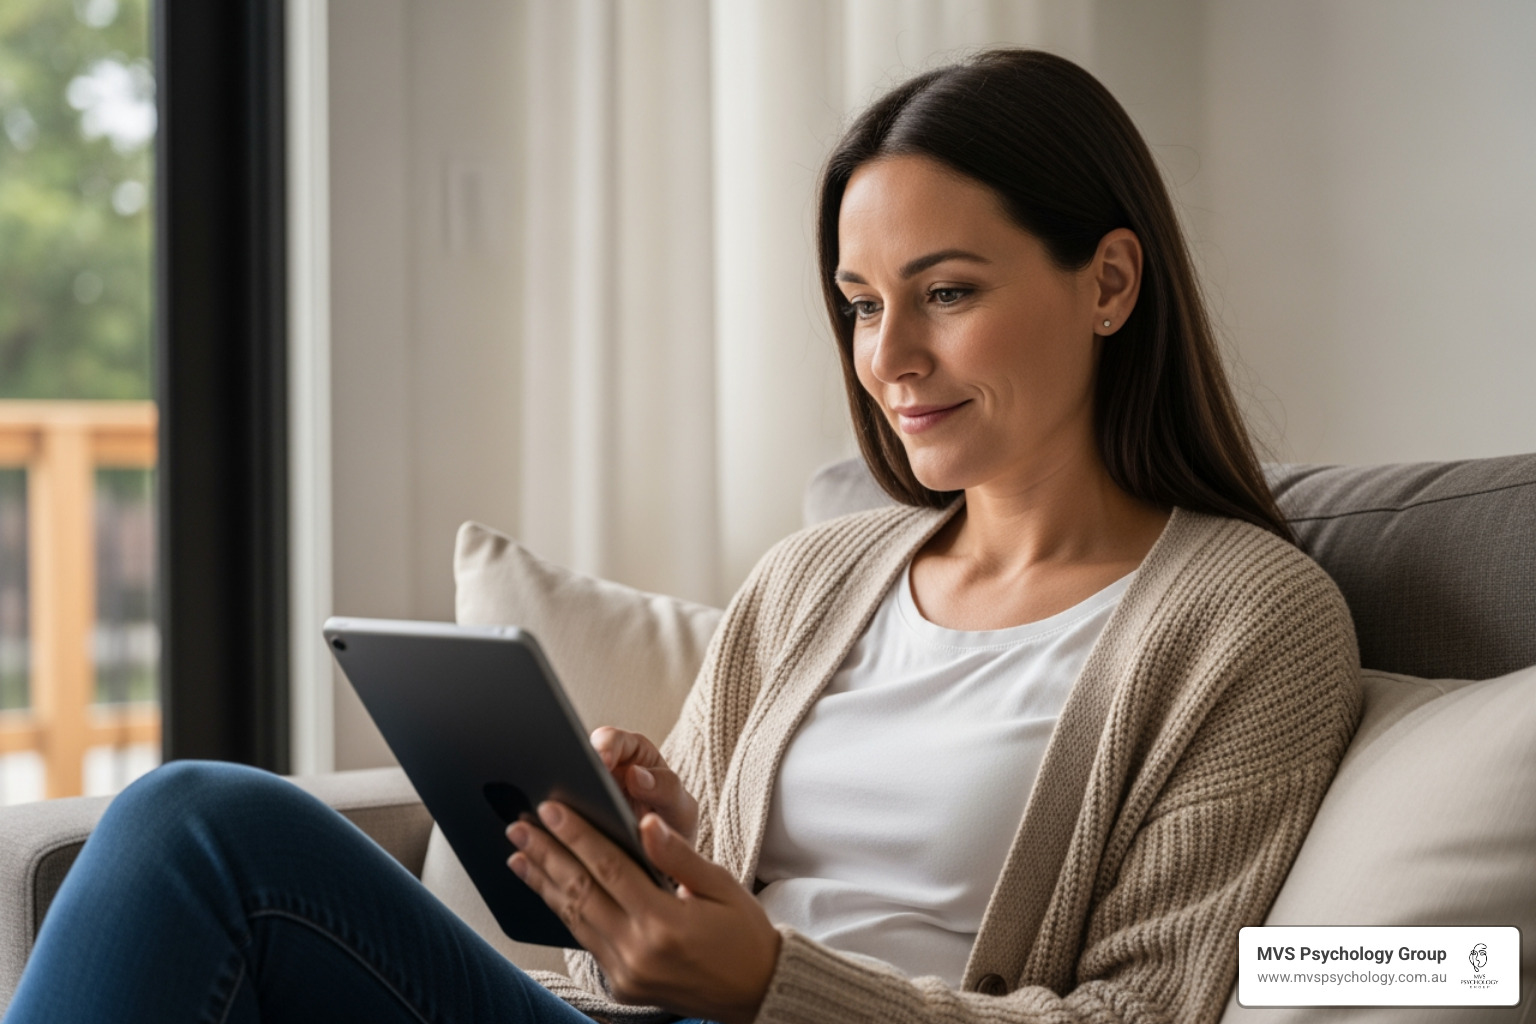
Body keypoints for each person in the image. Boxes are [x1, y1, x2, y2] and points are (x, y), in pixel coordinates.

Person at [2, 48, 1360, 1024]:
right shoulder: (817, 576)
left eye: (946, 292)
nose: (891, 355)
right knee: (189, 823)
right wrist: (644, 870)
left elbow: (1148, 1012)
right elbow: (620, 981)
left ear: (1110, 281)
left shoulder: (1250, 617)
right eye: (859, 301)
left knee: (203, 827)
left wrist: (770, 981)